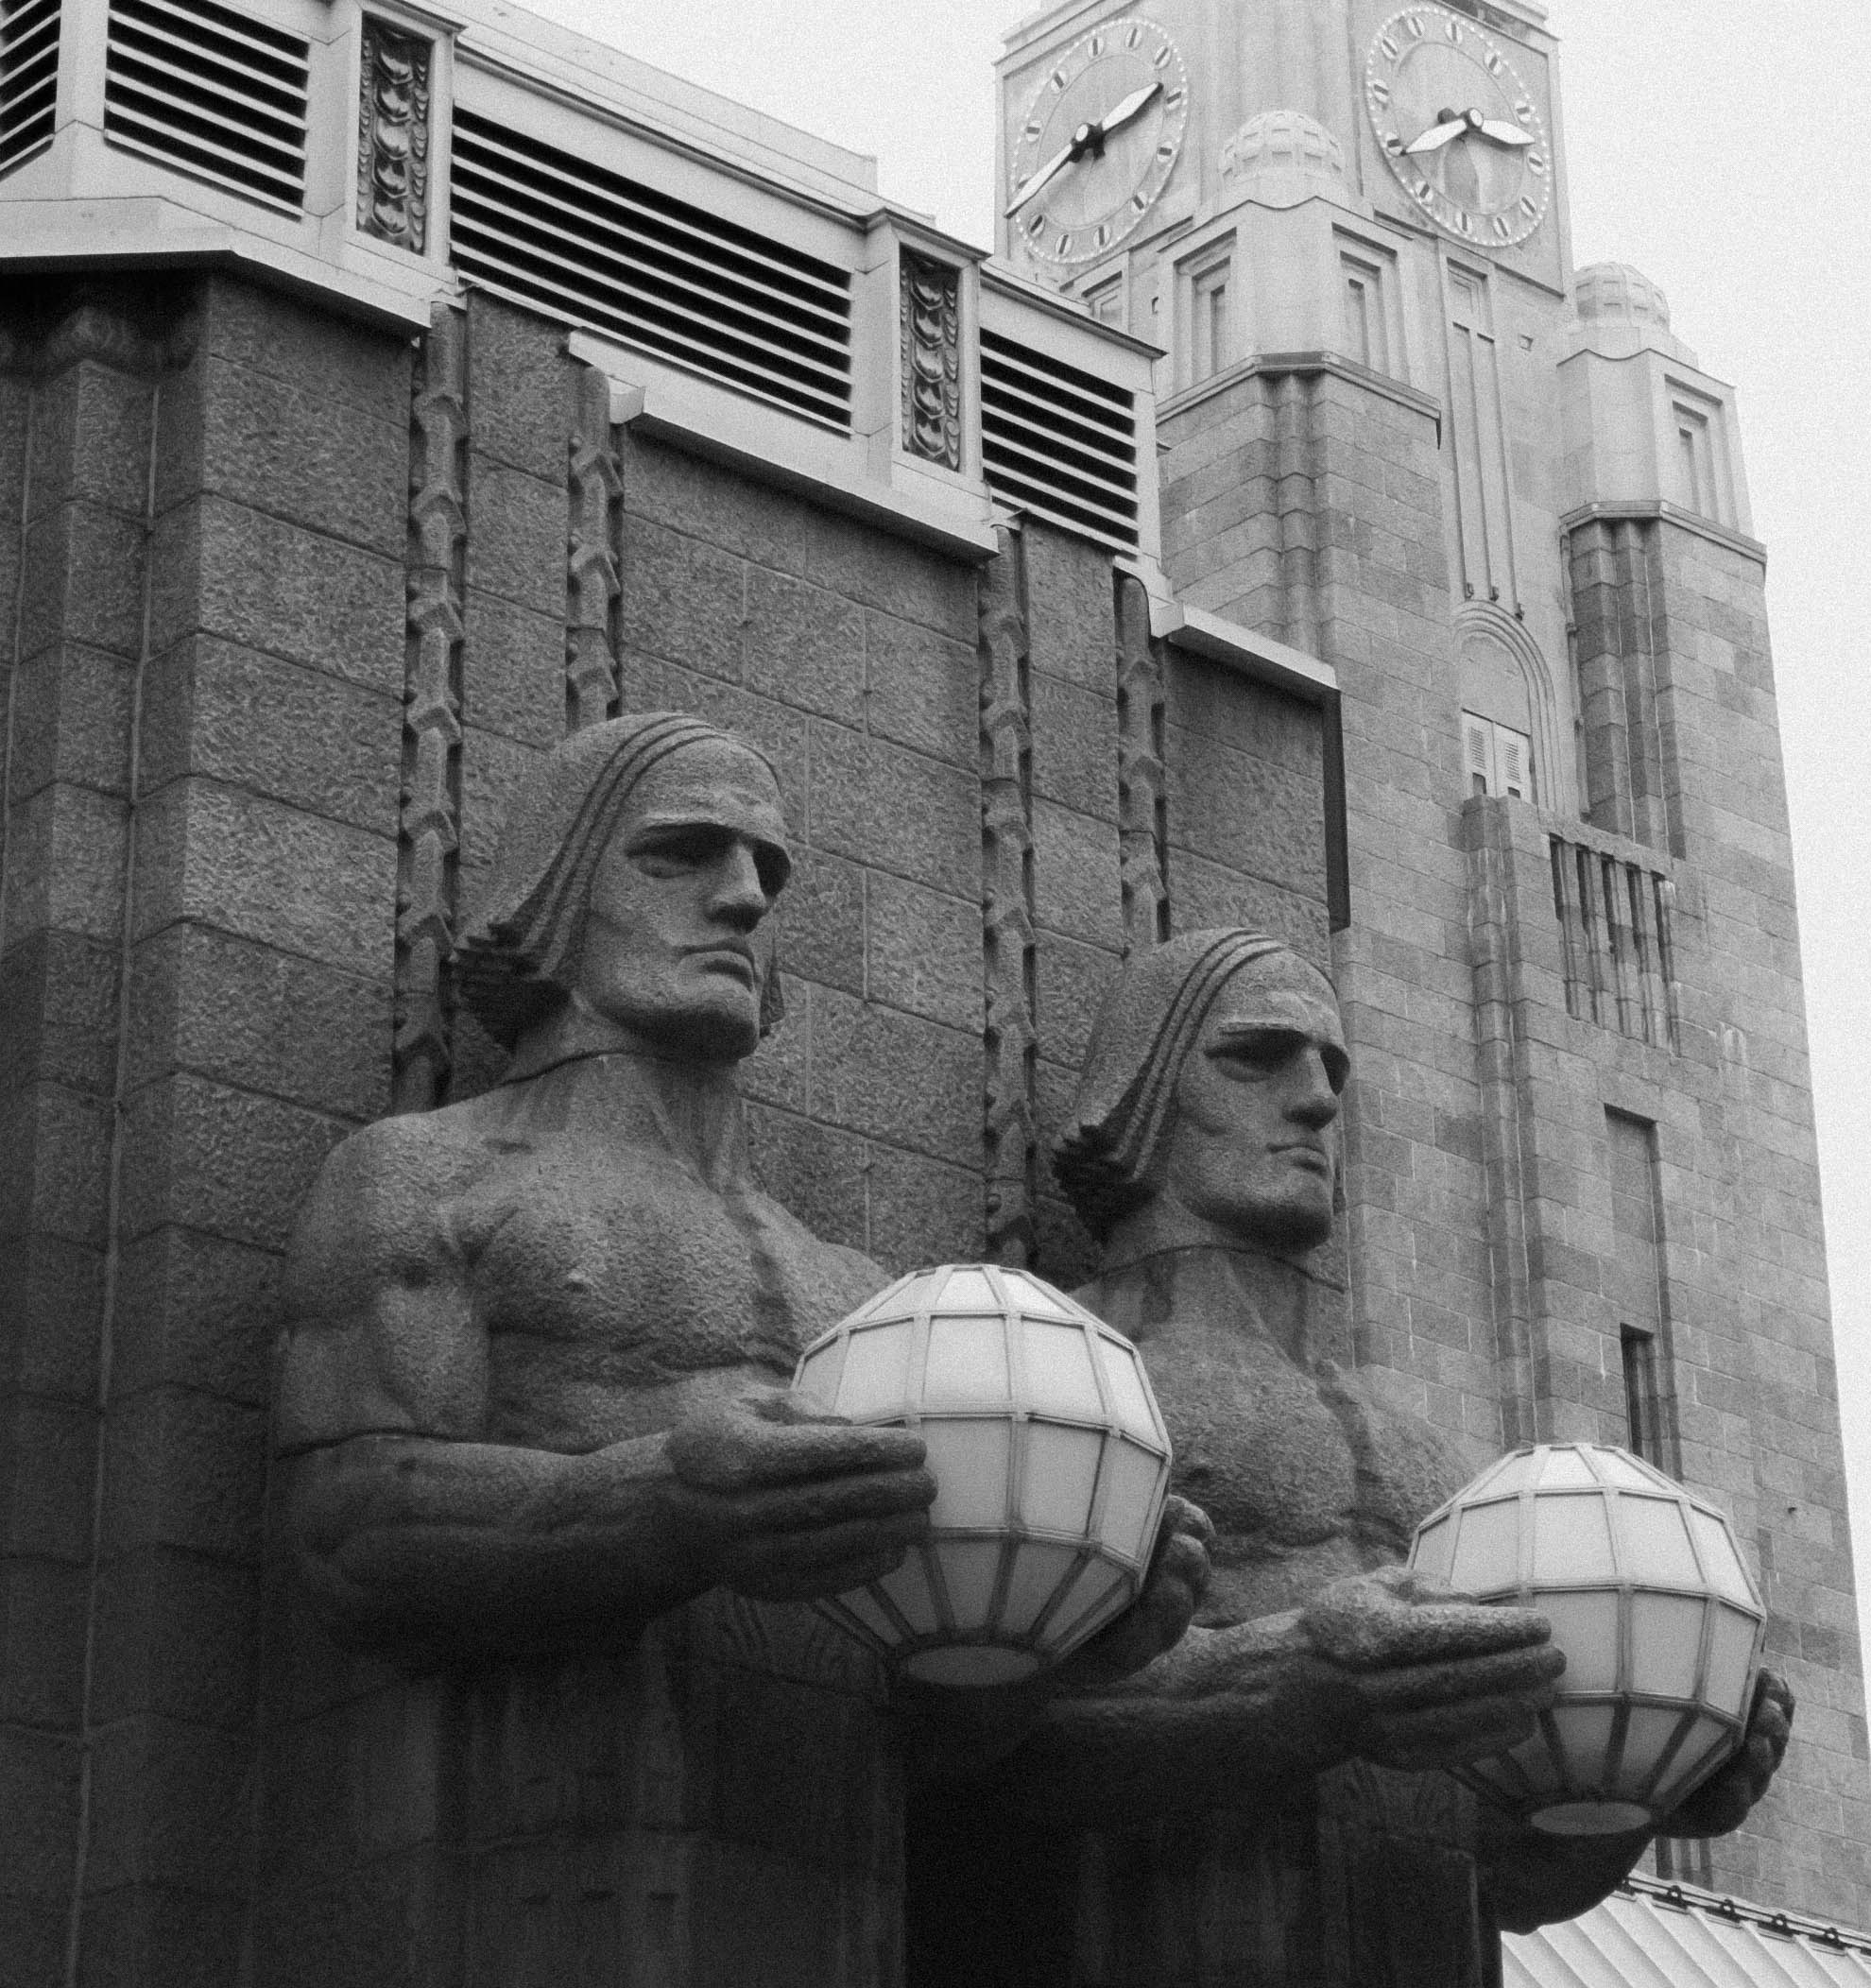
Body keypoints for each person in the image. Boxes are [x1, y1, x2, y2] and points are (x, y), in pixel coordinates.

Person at [272, 713, 1206, 1972]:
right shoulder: (425, 1176)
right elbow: (349, 1532)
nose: (743, 897)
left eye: (768, 872)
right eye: (682, 856)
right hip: (511, 1900)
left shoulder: (859, 1302)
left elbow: (923, 1736)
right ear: (557, 888)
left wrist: (1055, 1640)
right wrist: (662, 1504)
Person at [909, 927, 1794, 1988]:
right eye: (1256, 1056)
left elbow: (1504, 1879)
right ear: (1136, 1093)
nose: (1318, 1099)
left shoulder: (1427, 1461)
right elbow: (957, 1733)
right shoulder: (1059, 1380)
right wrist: (1290, 1693)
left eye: (1332, 1067)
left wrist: (1622, 1792)